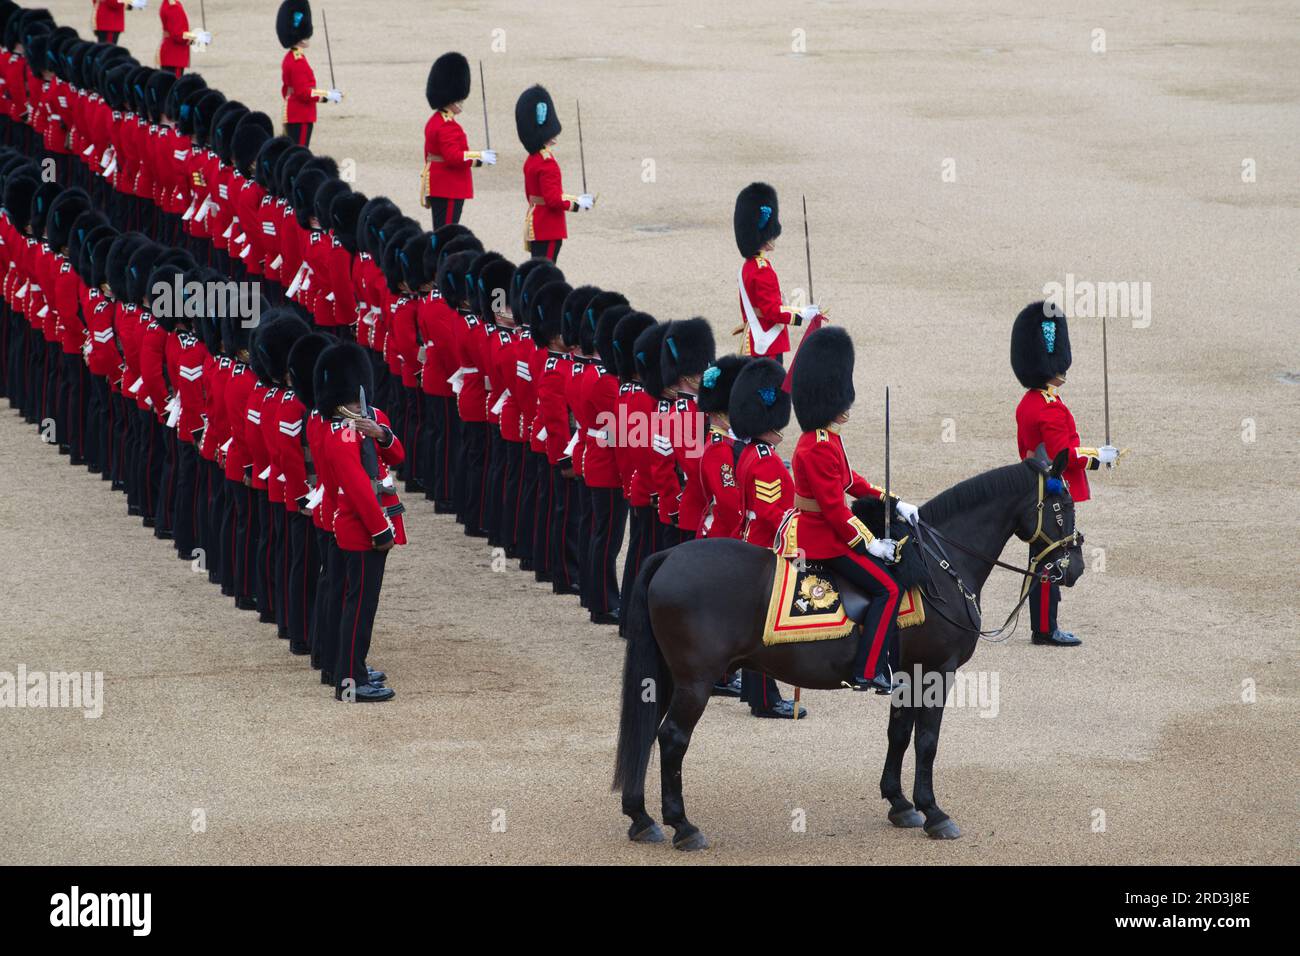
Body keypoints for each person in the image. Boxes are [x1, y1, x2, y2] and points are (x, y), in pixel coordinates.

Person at [789, 326, 918, 694]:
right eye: (841, 400)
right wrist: (870, 543)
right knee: (888, 589)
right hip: (822, 540)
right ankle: (869, 669)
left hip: (827, 531)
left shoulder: (826, 439)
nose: (847, 407)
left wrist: (894, 502)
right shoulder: (816, 447)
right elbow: (833, 509)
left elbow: (851, 482)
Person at [1011, 300, 1120, 647]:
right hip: (1052, 490)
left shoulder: (1032, 401)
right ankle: (1045, 628)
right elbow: (1064, 455)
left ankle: (1044, 624)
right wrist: (1098, 457)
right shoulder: (1048, 409)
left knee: (1041, 558)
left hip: (1036, 485)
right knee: (1050, 558)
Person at [313, 340, 404, 703]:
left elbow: (398, 454)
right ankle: (350, 681)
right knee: (359, 607)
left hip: (365, 526)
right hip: (360, 530)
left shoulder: (366, 420)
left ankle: (352, 667)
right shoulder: (340, 432)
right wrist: (381, 532)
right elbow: (357, 490)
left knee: (357, 603)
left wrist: (380, 434)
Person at [730, 356, 806, 718]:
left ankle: (757, 694)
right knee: (764, 628)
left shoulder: (753, 452)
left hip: (753, 539)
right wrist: (801, 533)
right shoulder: (765, 460)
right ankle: (765, 699)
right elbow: (773, 512)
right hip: (765, 547)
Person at [733, 182, 820, 361]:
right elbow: (771, 310)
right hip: (766, 345)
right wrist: (802, 314)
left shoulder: (749, 266)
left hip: (755, 342)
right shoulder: (763, 271)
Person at [514, 84, 593, 262]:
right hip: (548, 227)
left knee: (538, 273)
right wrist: (578, 202)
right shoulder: (547, 163)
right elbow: (553, 200)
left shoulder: (532, 159)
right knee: (545, 276)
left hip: (536, 221)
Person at [423, 52, 494, 229]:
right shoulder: (447, 126)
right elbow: (453, 157)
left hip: (441, 184)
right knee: (446, 233)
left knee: (444, 231)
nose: (461, 103)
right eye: (459, 100)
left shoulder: (436, 120)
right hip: (449, 186)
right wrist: (480, 156)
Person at [276, 0, 341, 148]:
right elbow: (304, 93)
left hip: (294, 112)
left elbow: (287, 89)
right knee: (299, 153)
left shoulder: (291, 58)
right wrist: (327, 95)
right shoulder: (297, 61)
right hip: (300, 114)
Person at [157, 0, 210, 78]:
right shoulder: (173, 7)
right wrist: (198, 37)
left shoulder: (171, 3)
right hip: (174, 57)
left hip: (171, 55)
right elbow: (178, 36)